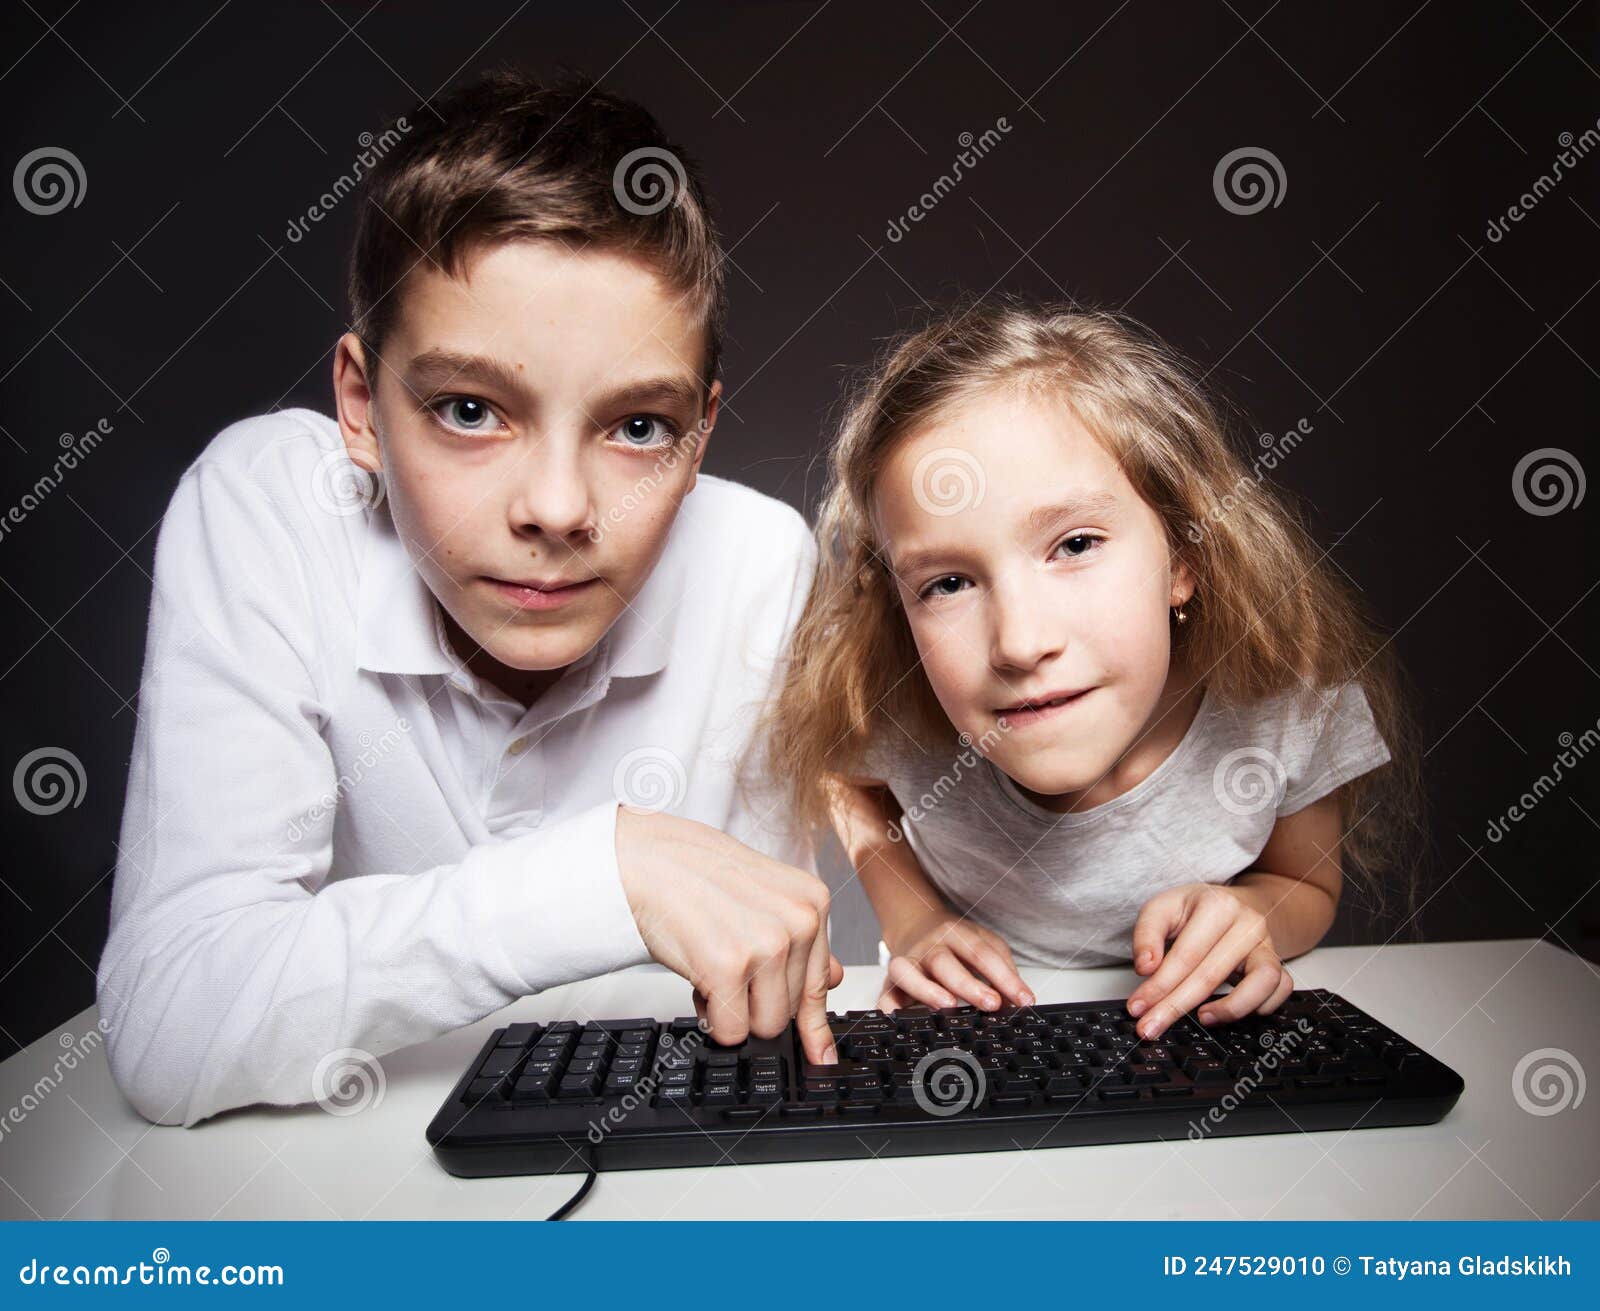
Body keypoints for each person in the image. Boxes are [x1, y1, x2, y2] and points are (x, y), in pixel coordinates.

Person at [98, 71, 841, 1128]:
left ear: (700, 437)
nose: (556, 509)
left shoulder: (756, 560)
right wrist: (602, 874)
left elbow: (755, 992)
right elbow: (173, 1024)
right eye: (469, 409)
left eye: (638, 427)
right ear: (361, 405)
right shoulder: (269, 507)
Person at [766, 301, 1421, 1042]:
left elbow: (1306, 883)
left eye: (1075, 545)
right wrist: (915, 920)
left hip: (1193, 1044)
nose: (1019, 643)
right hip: (972, 1038)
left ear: (1184, 558)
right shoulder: (902, 703)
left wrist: (1253, 911)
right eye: (947, 583)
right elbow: (846, 775)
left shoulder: (1283, 708)